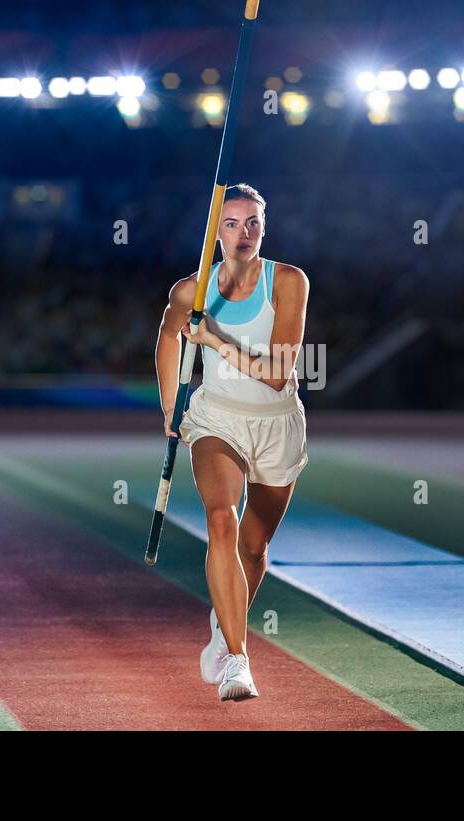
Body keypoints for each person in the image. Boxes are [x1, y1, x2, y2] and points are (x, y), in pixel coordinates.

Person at [154, 183, 309, 701]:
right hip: (217, 419)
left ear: (264, 228)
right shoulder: (190, 290)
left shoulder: (287, 281)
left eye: (252, 224)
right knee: (222, 518)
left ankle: (224, 624)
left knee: (255, 546)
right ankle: (238, 661)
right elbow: (169, 337)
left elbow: (278, 372)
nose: (243, 234)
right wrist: (171, 404)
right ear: (214, 230)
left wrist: (214, 340)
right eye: (230, 223)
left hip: (277, 423)